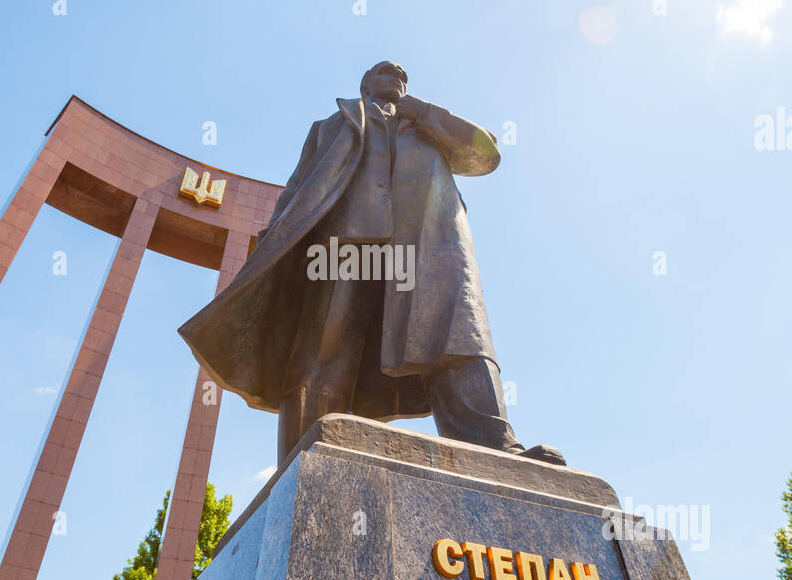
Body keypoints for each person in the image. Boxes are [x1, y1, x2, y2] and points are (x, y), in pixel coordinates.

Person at [179, 61, 564, 468]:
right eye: (384, 71)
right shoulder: (332, 124)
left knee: (457, 335)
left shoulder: (427, 123)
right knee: (326, 344)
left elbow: (485, 152)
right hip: (345, 237)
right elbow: (297, 185)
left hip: (424, 243)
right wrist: (275, 232)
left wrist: (425, 111)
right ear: (366, 84)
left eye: (402, 74)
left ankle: (495, 448)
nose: (395, 75)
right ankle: (306, 459)